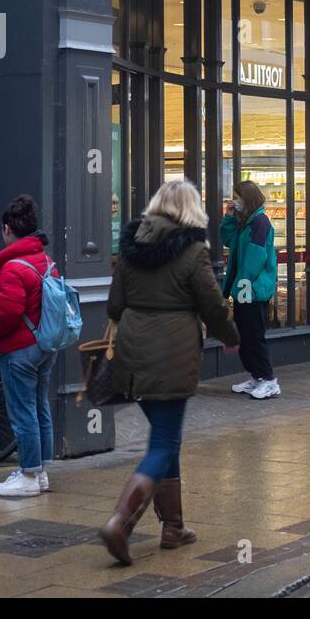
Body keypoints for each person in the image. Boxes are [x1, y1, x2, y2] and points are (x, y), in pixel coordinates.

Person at [101, 179, 239, 565]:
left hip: (132, 354)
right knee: (163, 443)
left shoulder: (131, 250)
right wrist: (231, 336)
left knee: (166, 437)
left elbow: (114, 306)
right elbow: (212, 304)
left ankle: (173, 526)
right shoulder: (193, 252)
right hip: (173, 355)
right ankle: (120, 522)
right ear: (191, 209)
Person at [0, 195, 58, 498]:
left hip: (20, 349)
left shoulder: (13, 267)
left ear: (6, 229)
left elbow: (8, 312)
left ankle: (27, 475)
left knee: (23, 411)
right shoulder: (45, 260)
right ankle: (40, 473)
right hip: (44, 345)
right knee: (40, 407)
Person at [221, 180, 280, 400]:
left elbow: (256, 257)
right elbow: (228, 240)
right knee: (245, 335)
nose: (235, 200)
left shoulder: (260, 223)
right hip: (244, 288)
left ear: (248, 198)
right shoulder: (245, 222)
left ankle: (269, 380)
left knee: (254, 336)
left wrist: (242, 284)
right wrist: (228, 215)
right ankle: (257, 378)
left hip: (252, 289)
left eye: (238, 197)